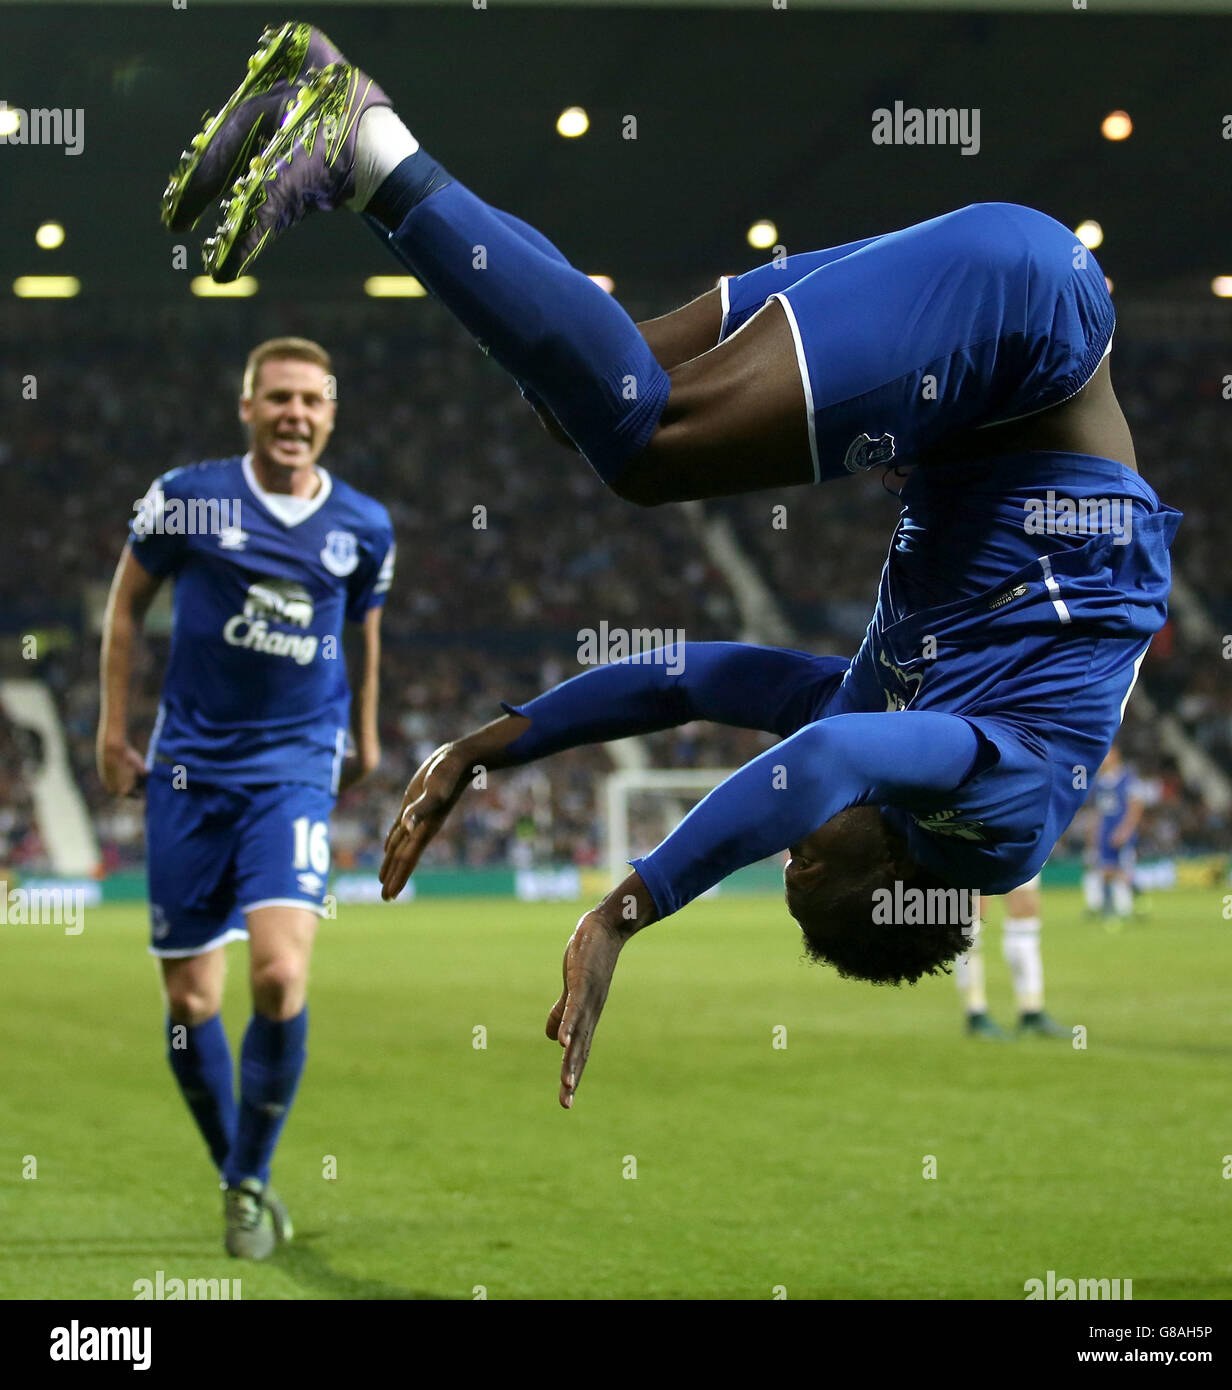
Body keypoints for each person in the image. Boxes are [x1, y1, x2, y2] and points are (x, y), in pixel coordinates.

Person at [161, 24, 1178, 1108]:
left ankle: (321, 112)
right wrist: (626, 909)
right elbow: (822, 757)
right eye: (804, 868)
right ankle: (365, 146)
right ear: (892, 880)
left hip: (988, 346)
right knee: (645, 450)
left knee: (593, 400)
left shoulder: (903, 746)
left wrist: (494, 742)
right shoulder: (996, 819)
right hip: (1020, 346)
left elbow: (701, 679)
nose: (786, 853)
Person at [96, 336, 394, 1254]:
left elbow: (364, 637)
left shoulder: (364, 526)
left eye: (311, 400)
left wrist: (368, 733)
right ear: (248, 408)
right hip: (187, 772)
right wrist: (111, 732)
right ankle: (240, 1176)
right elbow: (123, 610)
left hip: (294, 768)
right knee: (190, 1005)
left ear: (331, 414)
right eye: (278, 400)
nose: (295, 415)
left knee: (278, 973)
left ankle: (251, 1176)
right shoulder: (186, 498)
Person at [952, 877, 1072, 1040]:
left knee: (1025, 908)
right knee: (972, 913)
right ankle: (975, 1012)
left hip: (1020, 850)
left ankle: (1031, 1009)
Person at [1083, 744, 1145, 920]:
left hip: (1122, 833)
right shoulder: (1099, 782)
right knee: (1104, 869)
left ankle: (1133, 902)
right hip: (1105, 833)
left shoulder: (1128, 778)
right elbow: (1097, 812)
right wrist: (1094, 832)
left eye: (1107, 754)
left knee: (1122, 869)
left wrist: (1125, 830)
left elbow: (1136, 807)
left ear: (1116, 755)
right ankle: (1108, 907)